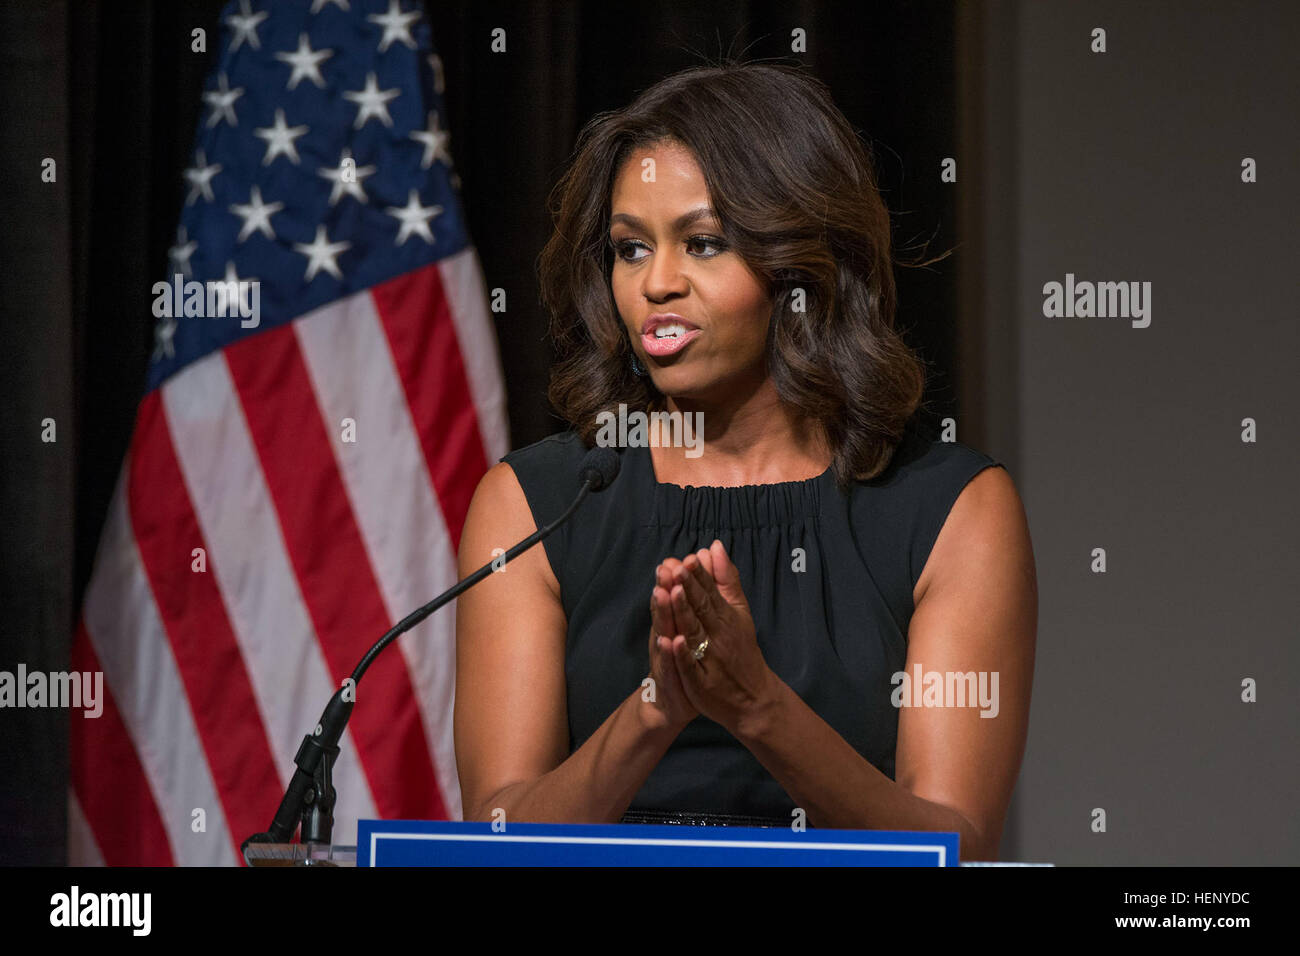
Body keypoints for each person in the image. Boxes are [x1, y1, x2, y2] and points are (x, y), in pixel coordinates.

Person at [453, 61, 1036, 860]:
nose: (656, 284)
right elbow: (494, 838)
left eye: (702, 243)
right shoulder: (535, 504)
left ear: (799, 264)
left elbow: (956, 848)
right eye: (630, 249)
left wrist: (759, 707)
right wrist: (655, 709)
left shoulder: (950, 509)